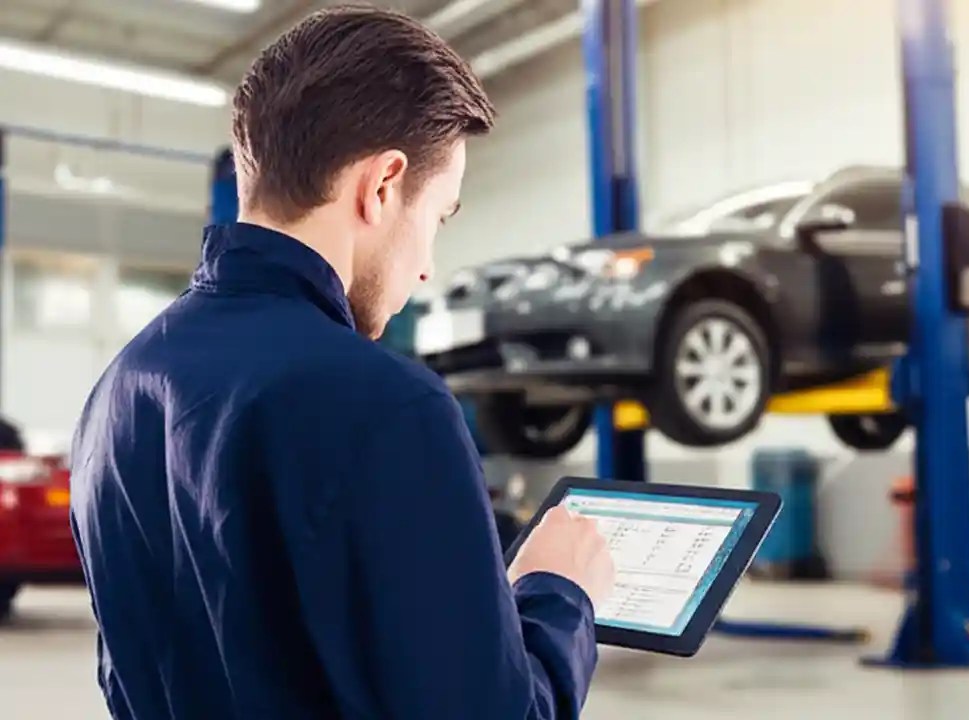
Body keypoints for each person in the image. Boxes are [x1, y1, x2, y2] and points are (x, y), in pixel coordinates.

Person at [68, 7, 615, 719]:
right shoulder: (389, 407)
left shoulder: (118, 391)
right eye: (439, 217)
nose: (426, 269)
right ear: (383, 185)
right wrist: (557, 595)